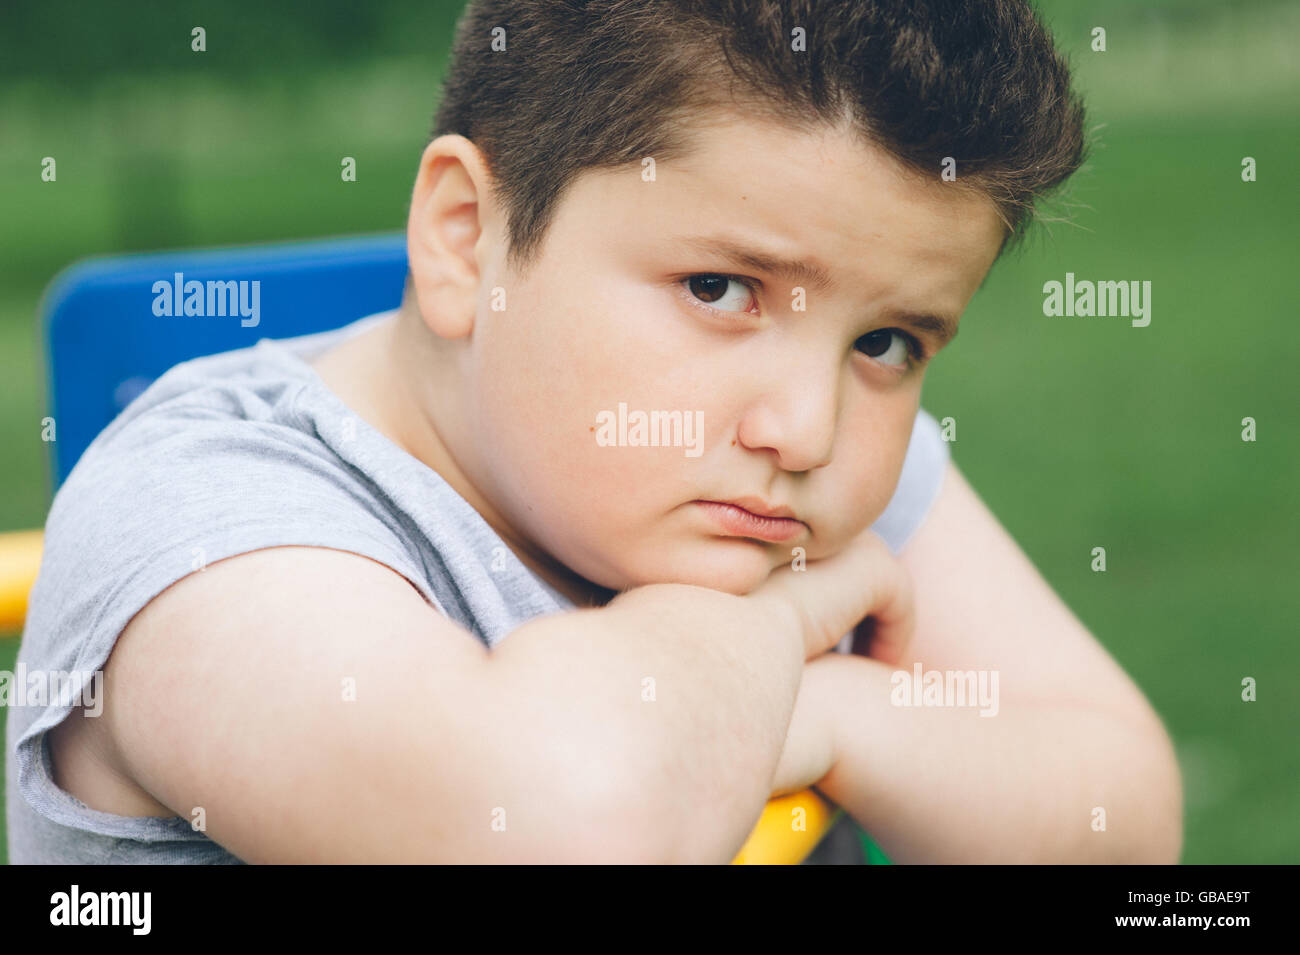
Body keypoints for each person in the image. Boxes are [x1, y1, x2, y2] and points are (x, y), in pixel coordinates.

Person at [7, 0, 1182, 863]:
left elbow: (1121, 818)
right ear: (467, 240)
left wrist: (820, 712)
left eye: (890, 343)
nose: (806, 426)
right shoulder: (203, 509)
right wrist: (772, 640)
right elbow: (563, 827)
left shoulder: (782, 472)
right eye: (721, 290)